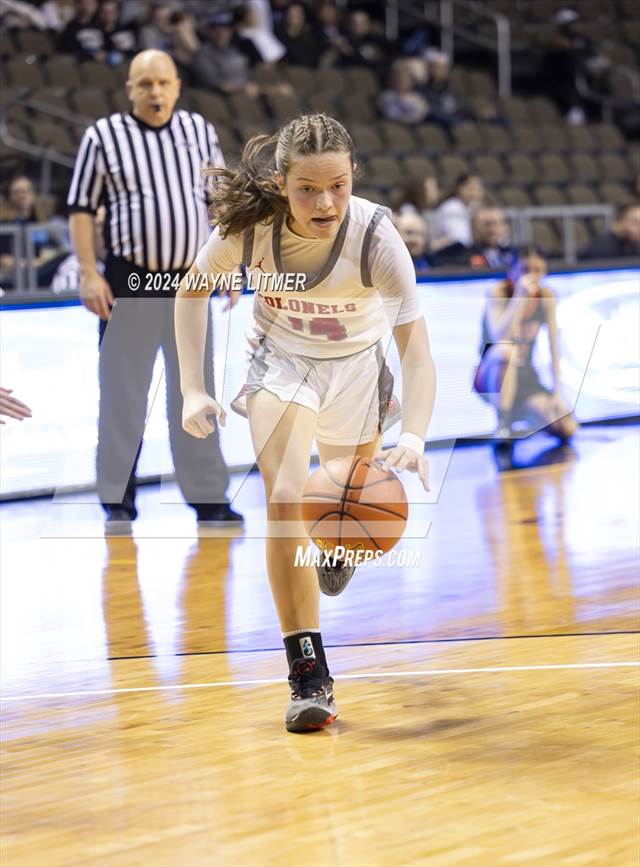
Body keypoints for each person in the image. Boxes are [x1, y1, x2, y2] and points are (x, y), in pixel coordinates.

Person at [175, 113, 436, 733]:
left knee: (344, 512)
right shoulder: (249, 229)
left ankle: (336, 544)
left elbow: (418, 352)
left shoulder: (376, 237)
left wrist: (416, 436)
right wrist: (192, 388)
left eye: (338, 186)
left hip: (358, 370)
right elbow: (191, 292)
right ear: (281, 182)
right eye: (308, 189)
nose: (325, 203)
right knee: (287, 498)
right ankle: (308, 674)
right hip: (282, 362)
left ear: (353, 178)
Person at [67, 49, 240, 534]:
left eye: (163, 82)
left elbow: (221, 202)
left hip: (191, 282)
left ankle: (208, 499)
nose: (155, 92)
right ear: (130, 90)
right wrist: (87, 271)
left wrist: (227, 264)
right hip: (128, 283)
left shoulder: (199, 131)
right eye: (145, 84)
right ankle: (118, 500)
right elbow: (81, 208)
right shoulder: (103, 137)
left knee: (195, 393)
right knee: (123, 397)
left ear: (178, 86)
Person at [473, 248, 578, 468]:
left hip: (525, 378)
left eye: (538, 270)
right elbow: (499, 337)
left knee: (567, 427)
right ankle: (503, 424)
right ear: (512, 272)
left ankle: (520, 415)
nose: (532, 275)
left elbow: (553, 346)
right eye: (525, 270)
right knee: (506, 351)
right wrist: (519, 298)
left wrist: (558, 392)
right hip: (491, 376)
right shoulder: (499, 293)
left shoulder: (545, 296)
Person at [0, 174, 68, 290]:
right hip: (17, 276)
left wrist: (43, 260)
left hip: (43, 273)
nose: (22, 195)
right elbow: (4, 260)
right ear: (9, 196)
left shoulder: (41, 223)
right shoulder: (5, 226)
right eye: (17, 192)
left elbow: (53, 250)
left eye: (26, 191)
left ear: (33, 194)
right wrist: (34, 263)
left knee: (67, 257)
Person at [433, 173, 485, 248]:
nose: (477, 192)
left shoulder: (469, 207)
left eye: (479, 189)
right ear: (461, 188)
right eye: (473, 188)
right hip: (448, 253)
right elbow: (460, 238)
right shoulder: (451, 207)